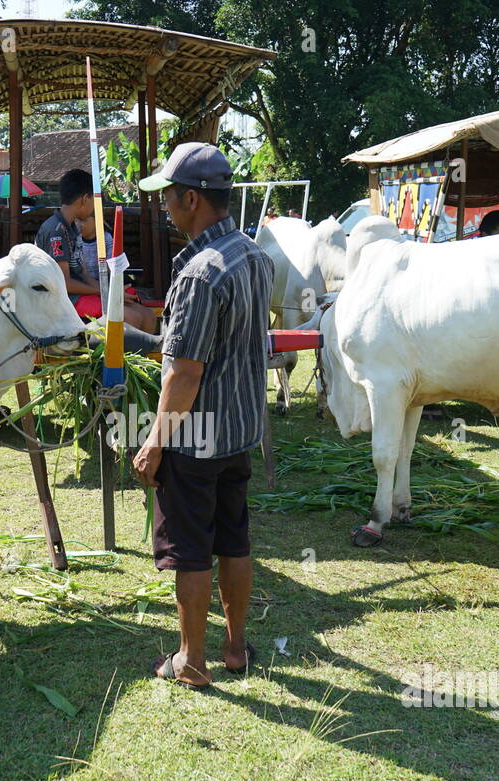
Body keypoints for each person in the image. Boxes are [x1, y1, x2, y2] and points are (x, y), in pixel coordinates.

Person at [133, 142, 273, 689]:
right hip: (238, 431)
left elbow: (184, 375)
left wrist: (154, 443)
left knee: (190, 551)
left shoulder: (198, 274)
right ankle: (235, 647)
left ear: (191, 198)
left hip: (195, 439)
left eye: (169, 197)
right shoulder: (252, 254)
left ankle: (192, 661)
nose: (165, 206)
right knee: (234, 538)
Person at [34, 168, 157, 333]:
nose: (94, 206)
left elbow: (82, 272)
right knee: (131, 317)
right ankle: (113, 359)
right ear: (85, 199)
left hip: (81, 294)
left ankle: (134, 357)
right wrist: (105, 292)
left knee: (148, 315)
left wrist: (108, 292)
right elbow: (65, 283)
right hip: (64, 299)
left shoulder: (72, 228)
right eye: (93, 200)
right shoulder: (56, 231)